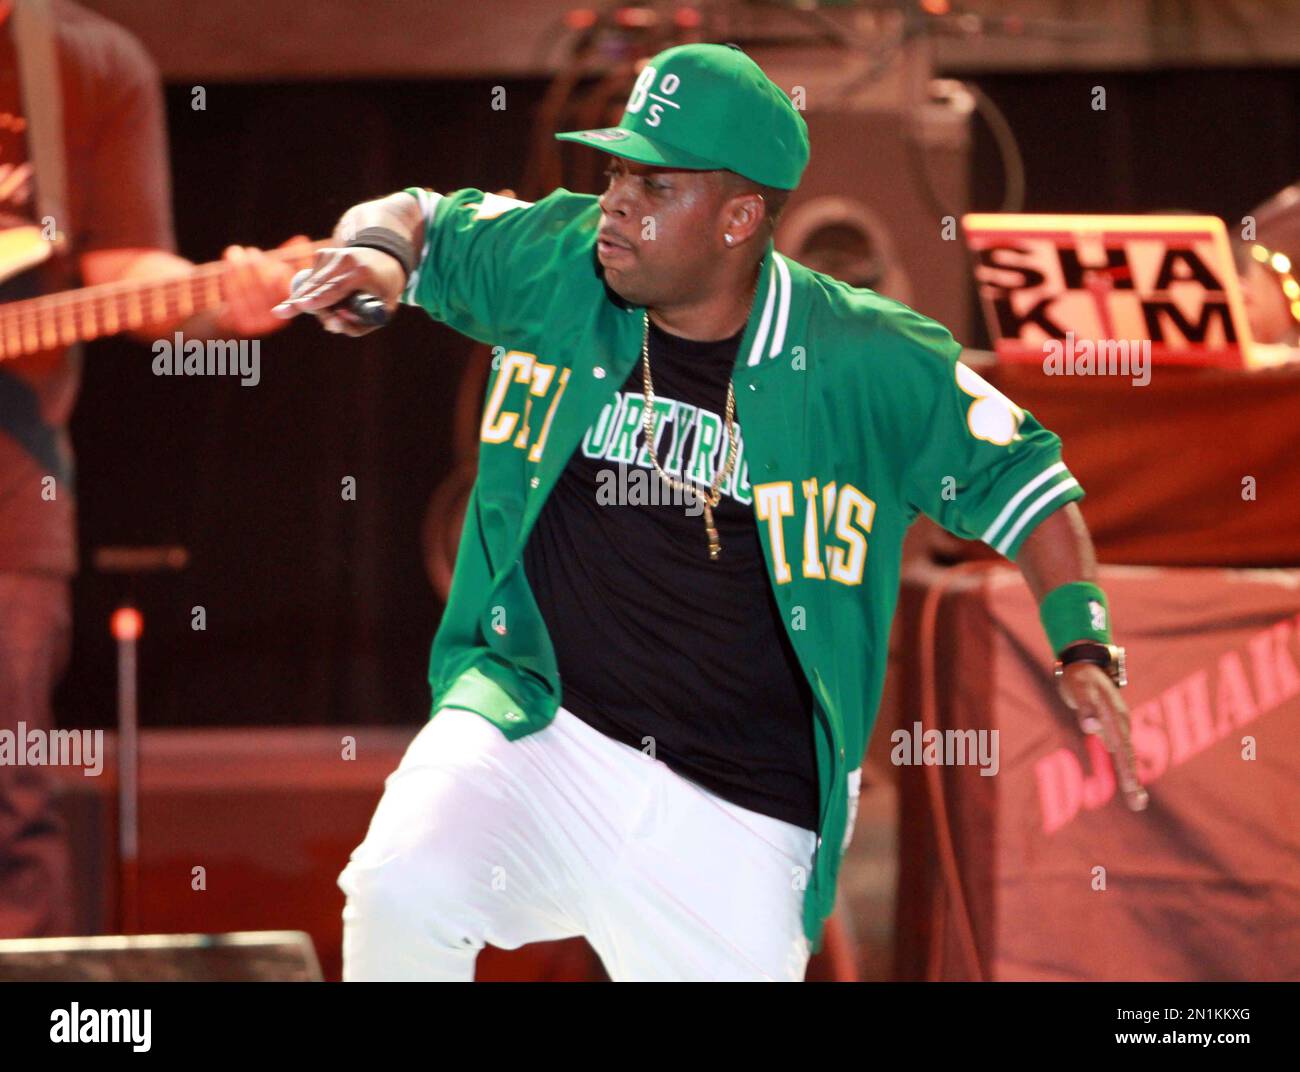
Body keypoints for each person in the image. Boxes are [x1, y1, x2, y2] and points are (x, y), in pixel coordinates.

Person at [278, 42, 1147, 982]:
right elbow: (423, 216)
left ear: (739, 218)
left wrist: (1085, 646)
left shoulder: (862, 355)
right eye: (616, 170)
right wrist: (376, 251)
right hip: (543, 730)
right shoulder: (563, 262)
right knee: (402, 887)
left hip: (742, 808)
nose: (616, 201)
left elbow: (1029, 475)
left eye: (655, 187)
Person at [0, 0, 296, 938]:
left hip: (10, 498)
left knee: (10, 806)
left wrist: (220, 303)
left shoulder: (81, 63)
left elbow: (129, 274)